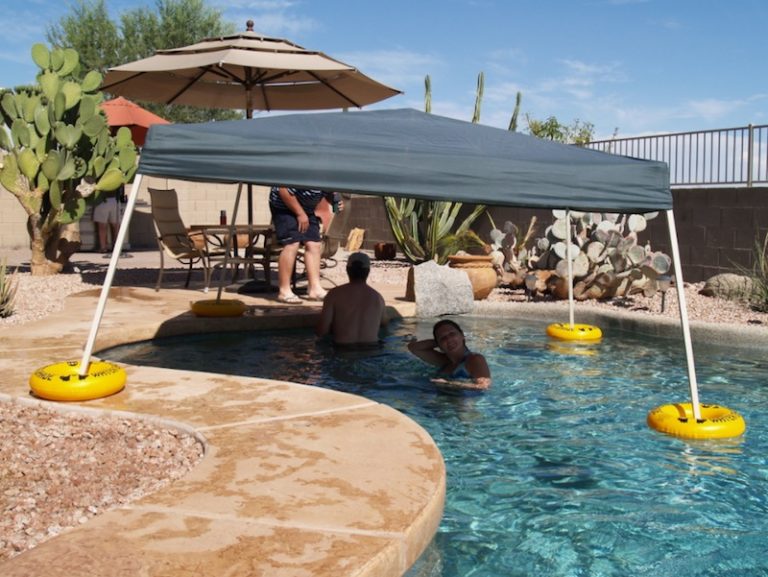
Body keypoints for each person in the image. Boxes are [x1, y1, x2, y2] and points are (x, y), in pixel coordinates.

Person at [269, 186, 338, 303]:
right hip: (284, 205)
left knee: (314, 244)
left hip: (307, 208)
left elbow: (329, 192)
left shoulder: (327, 175)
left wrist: (334, 199)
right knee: (292, 243)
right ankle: (284, 290)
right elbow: (284, 190)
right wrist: (300, 214)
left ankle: (315, 288)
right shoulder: (304, 171)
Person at [316, 252, 387, 347]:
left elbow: (322, 331)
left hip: (343, 351)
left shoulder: (334, 295)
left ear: (347, 270)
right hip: (371, 350)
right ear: (368, 271)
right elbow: (384, 323)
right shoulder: (377, 297)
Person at [408, 319, 492, 390]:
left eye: (452, 334)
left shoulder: (475, 359)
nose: (449, 339)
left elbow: (483, 387)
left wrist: (449, 384)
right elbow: (413, 348)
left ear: (462, 335)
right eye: (443, 338)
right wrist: (441, 343)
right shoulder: (444, 361)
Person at [93, 188, 123, 254]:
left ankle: (103, 247)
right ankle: (116, 247)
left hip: (102, 199)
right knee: (116, 225)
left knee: (103, 225)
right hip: (115, 199)